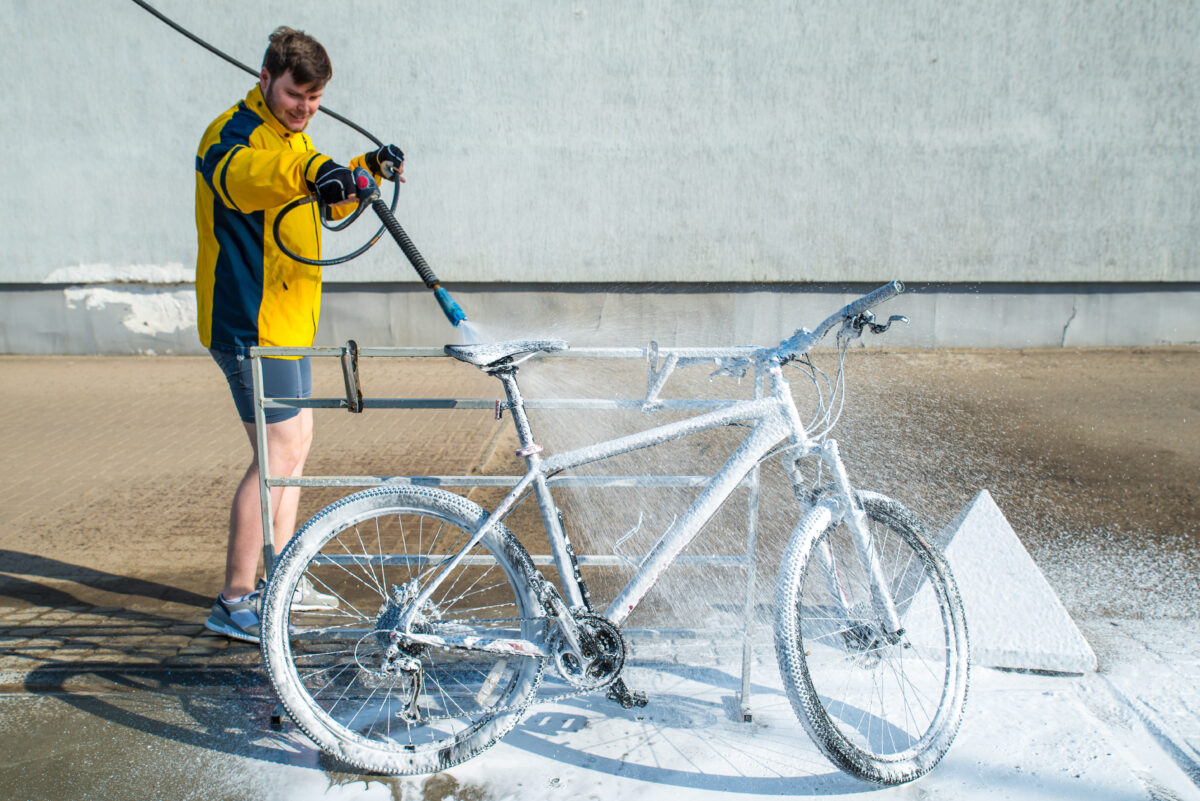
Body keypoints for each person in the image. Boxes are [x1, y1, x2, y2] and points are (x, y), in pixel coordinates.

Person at [195, 26, 406, 642]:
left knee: (293, 450)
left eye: (314, 99)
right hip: (248, 324)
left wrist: (365, 171)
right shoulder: (231, 138)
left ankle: (279, 579)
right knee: (275, 456)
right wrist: (317, 169)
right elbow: (249, 179)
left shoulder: (293, 140)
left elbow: (324, 199)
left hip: (289, 324)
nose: (304, 108)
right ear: (266, 79)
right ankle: (234, 600)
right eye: (295, 95)